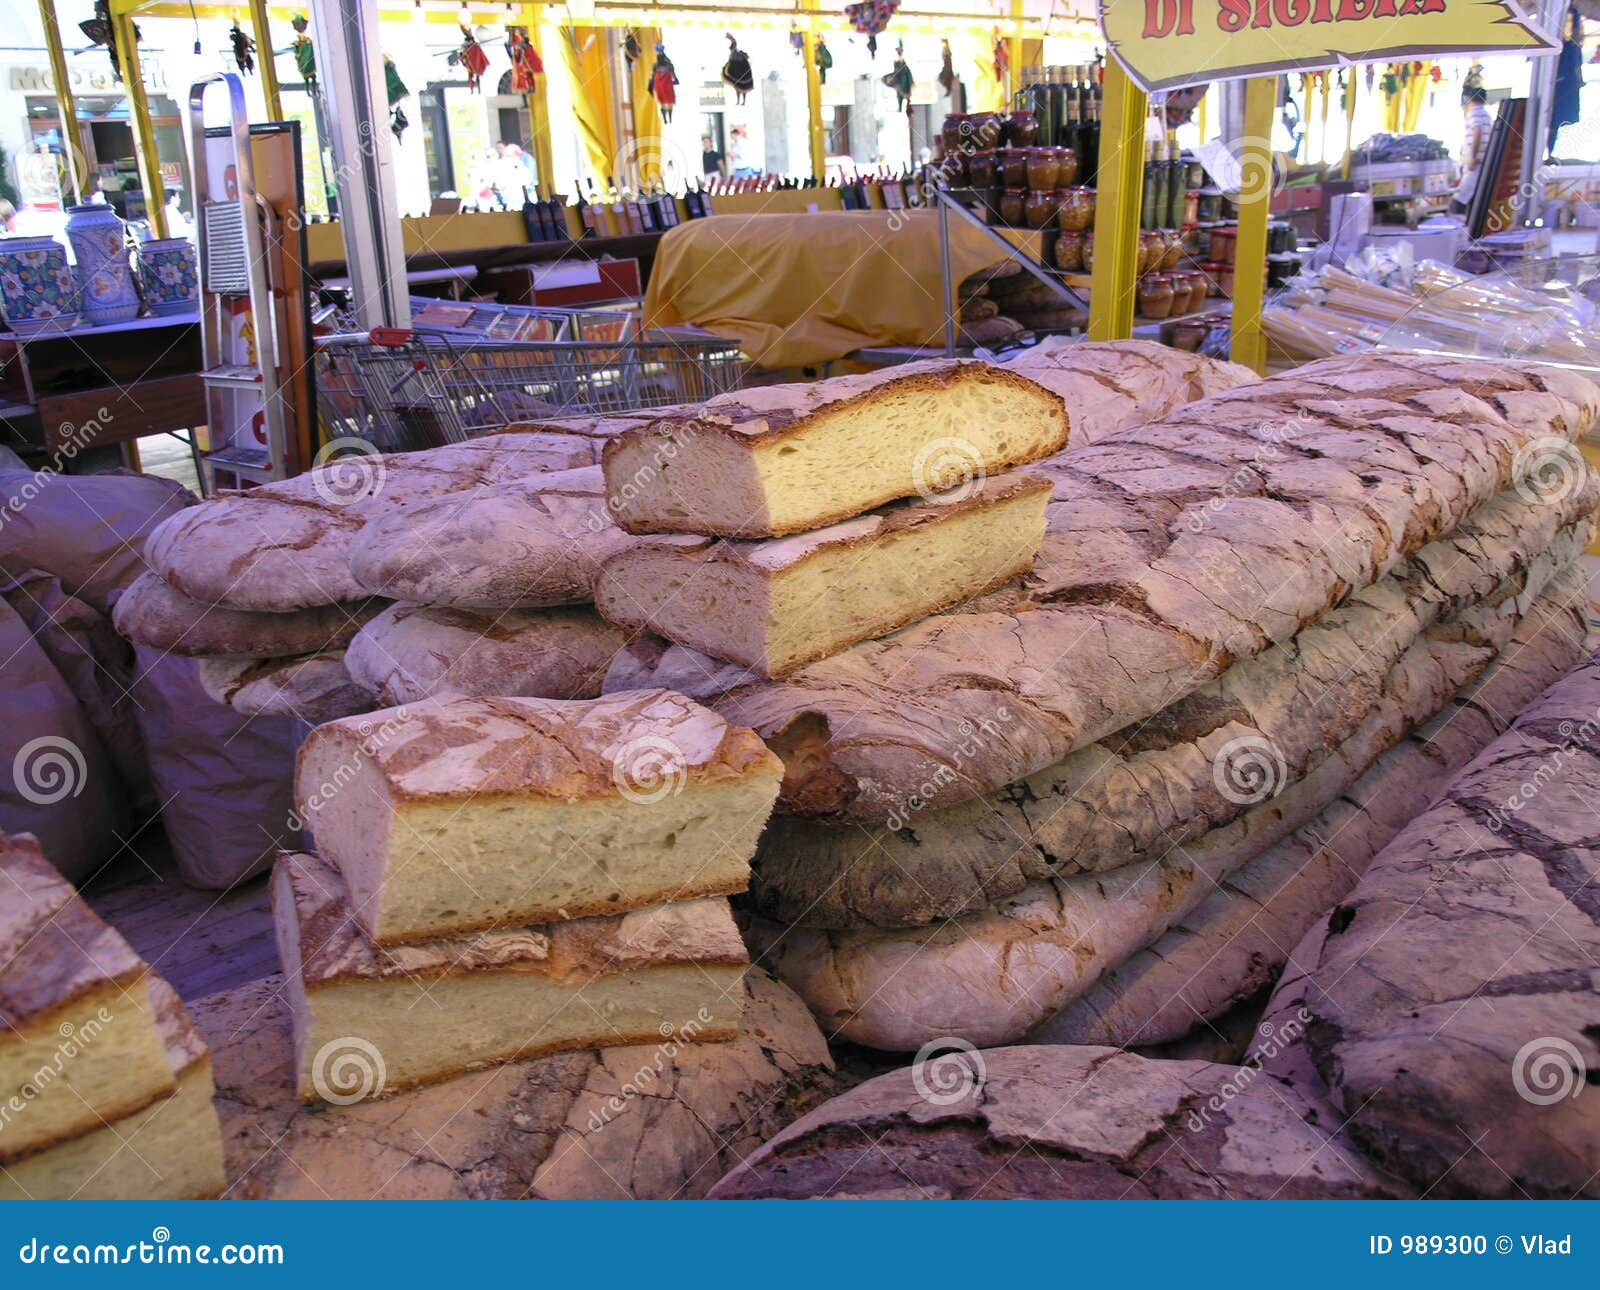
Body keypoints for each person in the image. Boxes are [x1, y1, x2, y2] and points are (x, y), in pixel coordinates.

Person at [1451, 84, 1492, 216]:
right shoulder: (1486, 114)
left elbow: (1477, 132)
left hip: (1476, 161)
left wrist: (1473, 157)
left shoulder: (1474, 113)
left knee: (1461, 195)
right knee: (1473, 193)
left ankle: (1458, 225)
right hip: (1482, 159)